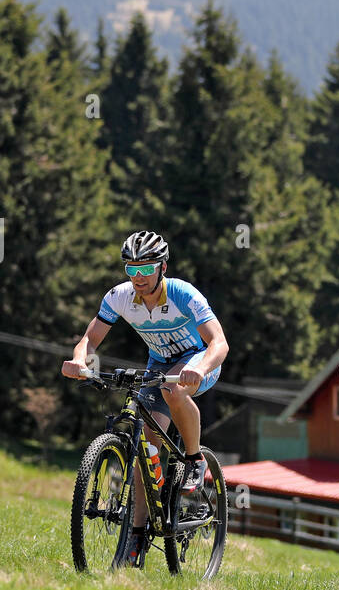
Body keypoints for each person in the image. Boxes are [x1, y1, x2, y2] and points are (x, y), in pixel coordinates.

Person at [61, 230, 229, 567]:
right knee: (145, 448)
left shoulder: (183, 294)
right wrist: (81, 361)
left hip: (199, 362)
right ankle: (136, 537)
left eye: (145, 269)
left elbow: (219, 343)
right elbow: (89, 339)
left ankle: (194, 460)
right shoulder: (119, 297)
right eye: (131, 270)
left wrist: (200, 368)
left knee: (174, 390)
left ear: (162, 267)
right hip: (159, 364)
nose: (137, 277)